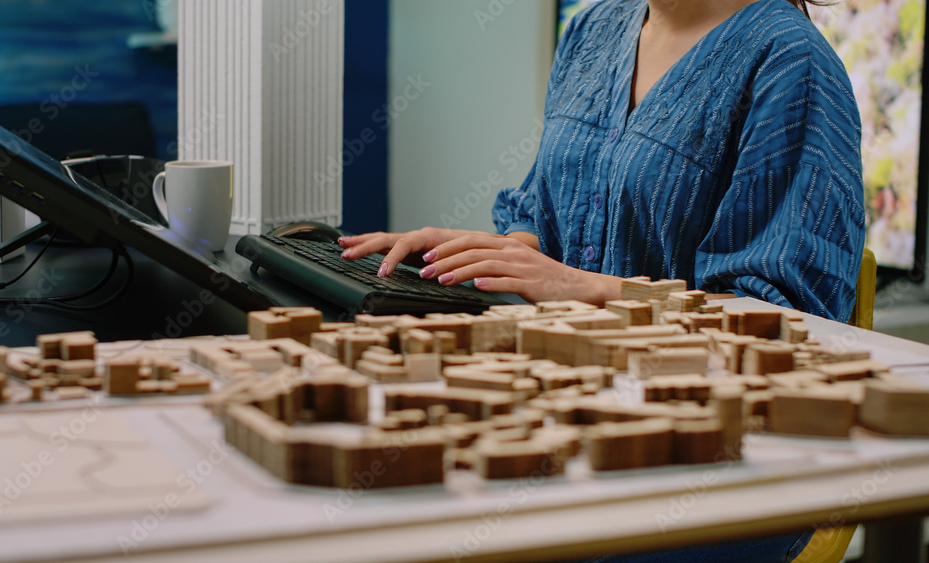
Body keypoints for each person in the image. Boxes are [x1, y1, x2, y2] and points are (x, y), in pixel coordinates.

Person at [342, 0, 863, 559]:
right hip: (569, 418)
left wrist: (580, 286)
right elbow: (544, 215)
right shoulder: (593, 27)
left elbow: (783, 324)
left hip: (705, 467)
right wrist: (495, 253)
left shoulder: (792, 62)